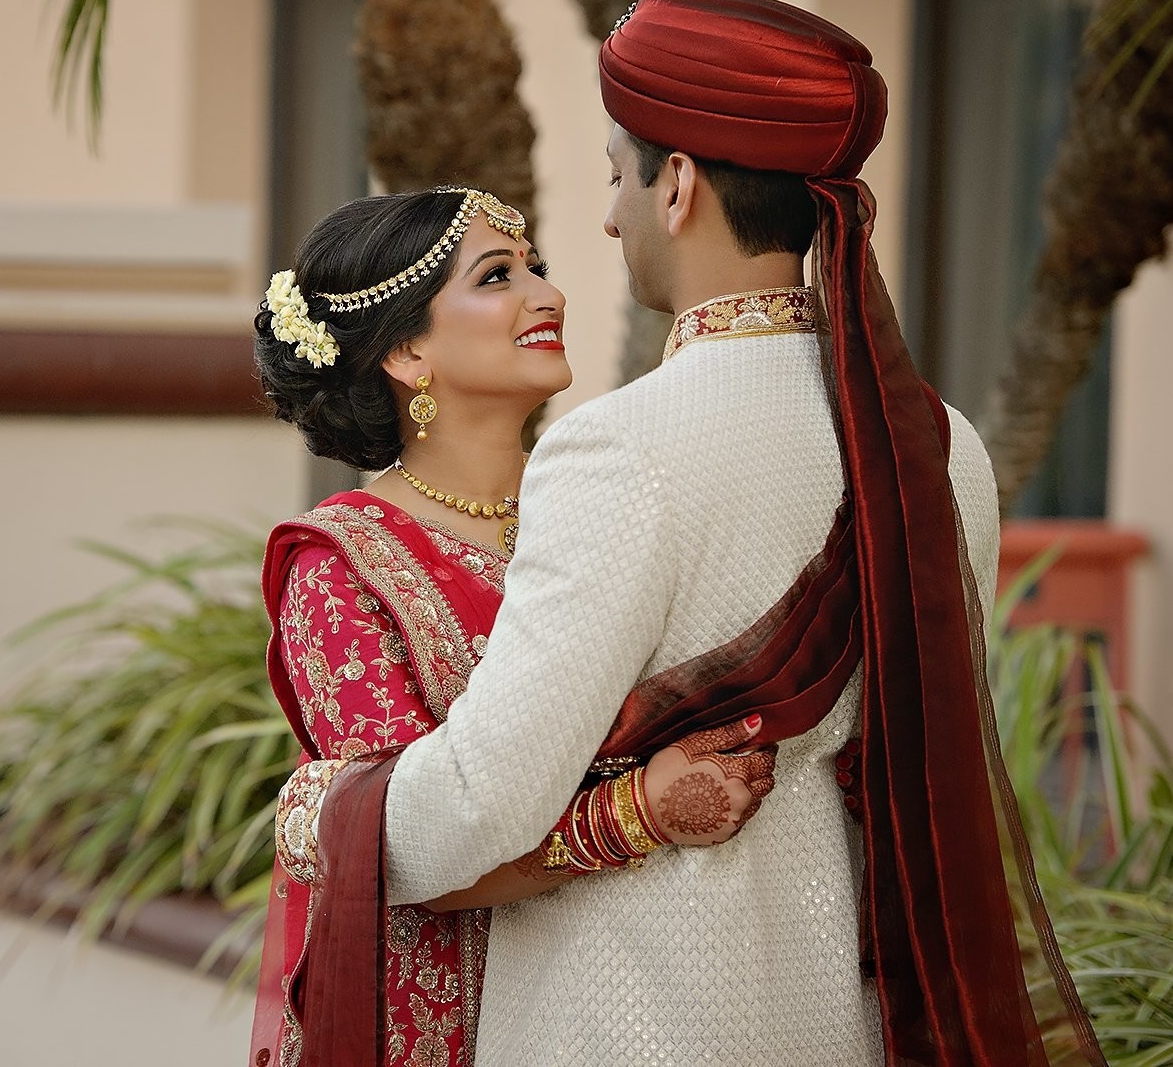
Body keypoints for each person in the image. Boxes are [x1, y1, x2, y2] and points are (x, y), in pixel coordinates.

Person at [279, 0, 1107, 1067]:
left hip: (635, 1014)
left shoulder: (617, 452)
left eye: (618, 178)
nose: (607, 220)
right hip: (855, 1017)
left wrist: (320, 812)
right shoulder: (944, 442)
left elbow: (479, 803)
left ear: (678, 186)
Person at [249, 186, 778, 1067]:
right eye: (499, 276)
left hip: (647, 982)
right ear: (410, 352)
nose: (549, 294)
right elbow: (394, 842)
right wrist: (635, 814)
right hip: (443, 1012)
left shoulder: (611, 493)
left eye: (537, 267)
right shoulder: (344, 567)